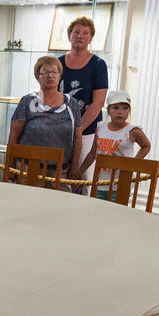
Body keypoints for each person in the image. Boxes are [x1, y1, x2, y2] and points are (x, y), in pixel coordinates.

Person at [6, 56, 81, 186]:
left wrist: (74, 167)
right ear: (38, 76)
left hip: (60, 171)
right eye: (45, 72)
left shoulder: (71, 103)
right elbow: (13, 137)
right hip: (28, 168)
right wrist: (10, 168)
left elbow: (78, 139)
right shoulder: (28, 101)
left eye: (54, 72)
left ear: (59, 75)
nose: (50, 76)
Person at [59, 16, 109, 194]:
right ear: (69, 36)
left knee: (83, 177)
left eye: (85, 33)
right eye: (76, 32)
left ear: (91, 38)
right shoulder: (58, 62)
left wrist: (78, 129)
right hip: (60, 129)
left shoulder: (98, 64)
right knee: (60, 176)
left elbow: (98, 102)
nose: (80, 36)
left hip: (86, 132)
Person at [90, 90, 152, 197]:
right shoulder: (100, 127)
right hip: (100, 182)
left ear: (129, 111)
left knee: (117, 212)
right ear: (108, 110)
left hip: (120, 183)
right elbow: (92, 153)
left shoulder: (132, 130)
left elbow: (146, 146)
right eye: (115, 108)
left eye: (125, 108)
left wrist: (132, 163)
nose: (120, 111)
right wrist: (79, 171)